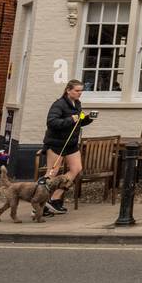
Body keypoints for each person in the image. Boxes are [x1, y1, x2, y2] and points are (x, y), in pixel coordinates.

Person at [41, 79, 94, 215]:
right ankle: (40, 203)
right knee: (52, 173)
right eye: (77, 90)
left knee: (76, 169)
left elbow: (78, 123)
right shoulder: (59, 104)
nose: (79, 93)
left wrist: (88, 118)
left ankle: (54, 199)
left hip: (71, 143)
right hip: (57, 143)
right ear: (68, 90)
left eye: (81, 91)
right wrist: (71, 119)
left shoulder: (77, 104)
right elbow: (52, 122)